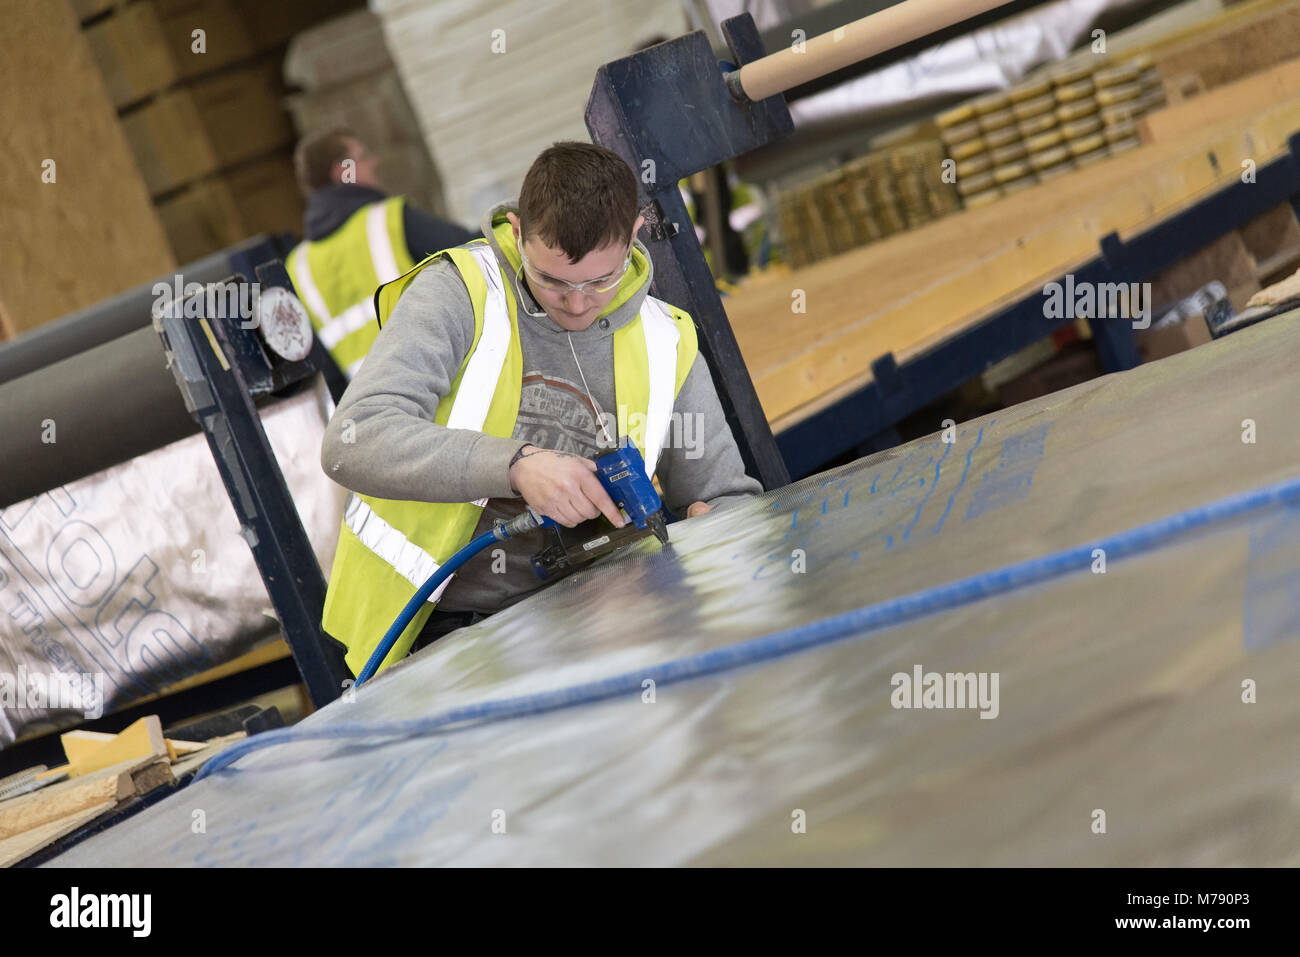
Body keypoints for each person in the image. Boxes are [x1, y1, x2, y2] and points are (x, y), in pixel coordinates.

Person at [319, 141, 763, 676]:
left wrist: (716, 532)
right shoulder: (461, 292)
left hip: (608, 624)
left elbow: (723, 496)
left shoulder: (666, 339)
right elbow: (352, 440)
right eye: (552, 279)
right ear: (516, 230)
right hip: (435, 633)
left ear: (636, 236)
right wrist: (517, 465)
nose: (576, 303)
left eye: (601, 279)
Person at [287, 127, 477, 379]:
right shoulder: (389, 220)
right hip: (443, 377)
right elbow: (475, 252)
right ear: (343, 172)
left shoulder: (297, 267)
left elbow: (321, 367)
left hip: (379, 404)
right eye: (363, 156)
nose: (374, 162)